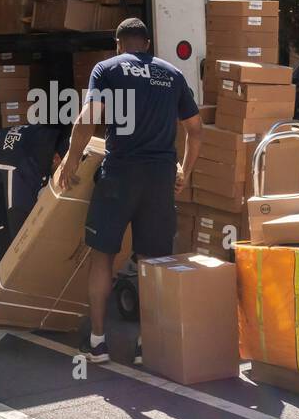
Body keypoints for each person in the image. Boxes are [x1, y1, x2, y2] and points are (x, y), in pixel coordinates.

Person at [58, 18, 203, 365]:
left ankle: (97, 343)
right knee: (152, 264)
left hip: (120, 175)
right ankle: (145, 346)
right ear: (148, 44)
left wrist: (70, 162)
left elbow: (87, 119)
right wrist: (184, 169)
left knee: (102, 257)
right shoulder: (173, 74)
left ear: (118, 44)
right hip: (159, 179)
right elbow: (196, 130)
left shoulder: (106, 69)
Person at [0, 123, 69, 284]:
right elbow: (19, 217)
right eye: (64, 168)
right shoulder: (21, 165)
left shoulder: (47, 140)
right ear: (56, 158)